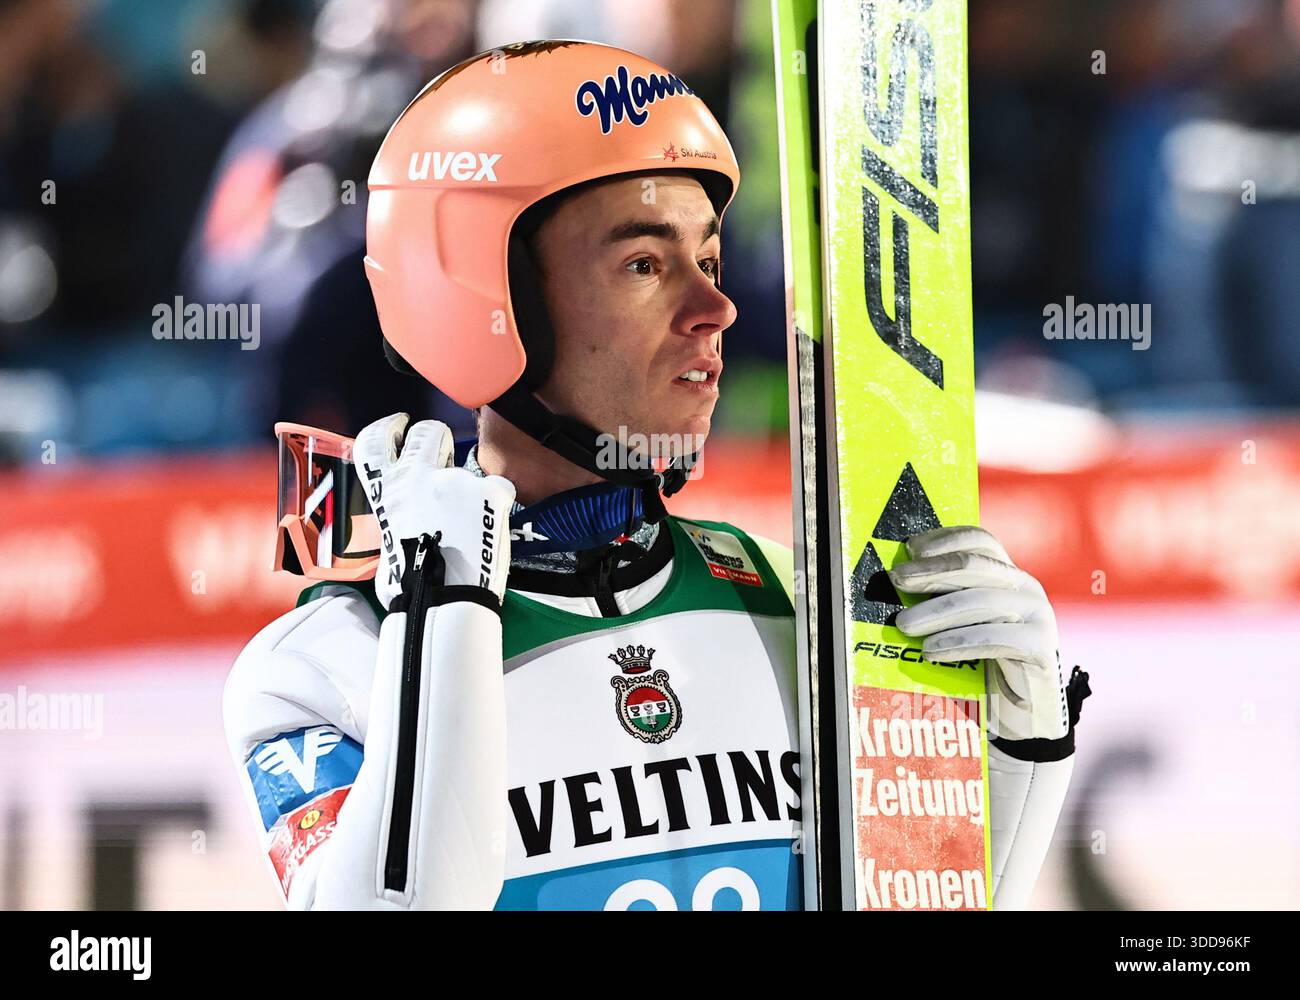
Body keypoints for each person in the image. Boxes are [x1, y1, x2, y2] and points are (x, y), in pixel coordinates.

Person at [223, 40, 1085, 910]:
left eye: (707, 260)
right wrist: (441, 611)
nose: (716, 310)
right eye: (645, 264)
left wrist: (1021, 748)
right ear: (485, 298)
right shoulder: (327, 662)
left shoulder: (800, 605)